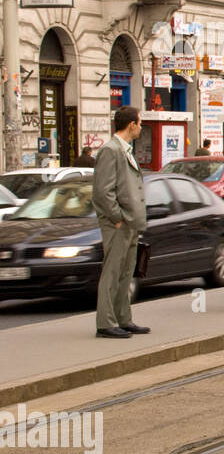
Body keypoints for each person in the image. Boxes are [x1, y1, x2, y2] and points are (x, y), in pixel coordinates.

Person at [91, 106, 150, 337]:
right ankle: (106, 323)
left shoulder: (125, 150)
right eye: (140, 123)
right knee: (112, 272)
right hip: (118, 223)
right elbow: (102, 192)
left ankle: (123, 318)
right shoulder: (111, 149)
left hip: (130, 222)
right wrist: (116, 218)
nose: (141, 127)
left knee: (126, 273)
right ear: (131, 125)